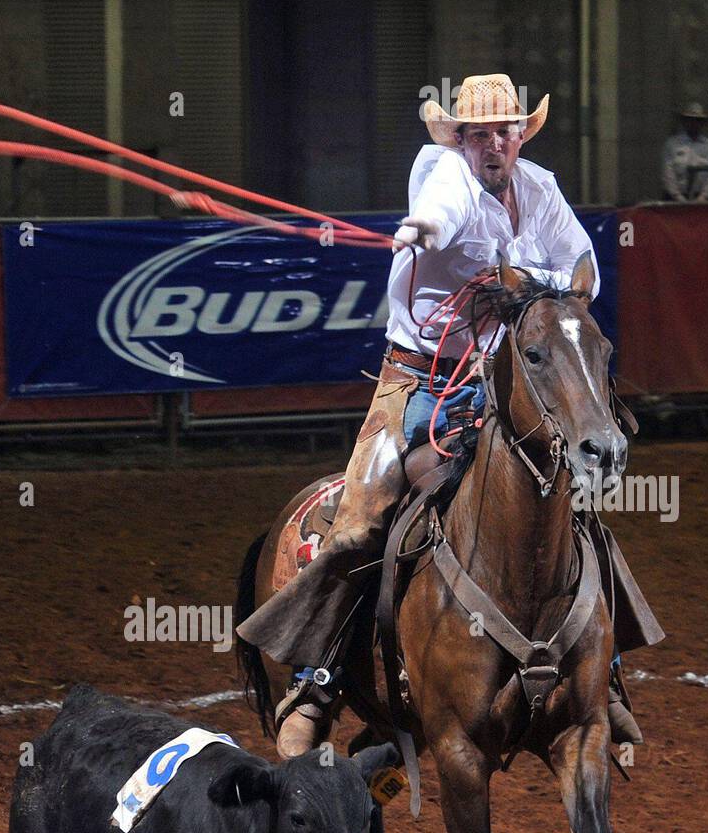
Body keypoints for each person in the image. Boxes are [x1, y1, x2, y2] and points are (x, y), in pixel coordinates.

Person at [237, 74, 659, 755]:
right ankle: (315, 682)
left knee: (571, 511)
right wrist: (421, 230)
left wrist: (526, 279)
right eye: (480, 133)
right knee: (358, 523)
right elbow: (438, 213)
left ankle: (602, 677)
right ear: (458, 139)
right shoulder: (443, 178)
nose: (494, 144)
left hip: (499, 380)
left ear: (520, 135)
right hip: (417, 379)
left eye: (505, 131)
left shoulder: (539, 189)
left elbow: (581, 264)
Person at [661, 102, 708, 202]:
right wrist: (677, 197)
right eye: (690, 119)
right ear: (684, 122)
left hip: (702, 200)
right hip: (673, 199)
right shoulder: (672, 144)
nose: (694, 123)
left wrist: (703, 197)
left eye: (698, 120)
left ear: (703, 123)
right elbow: (667, 172)